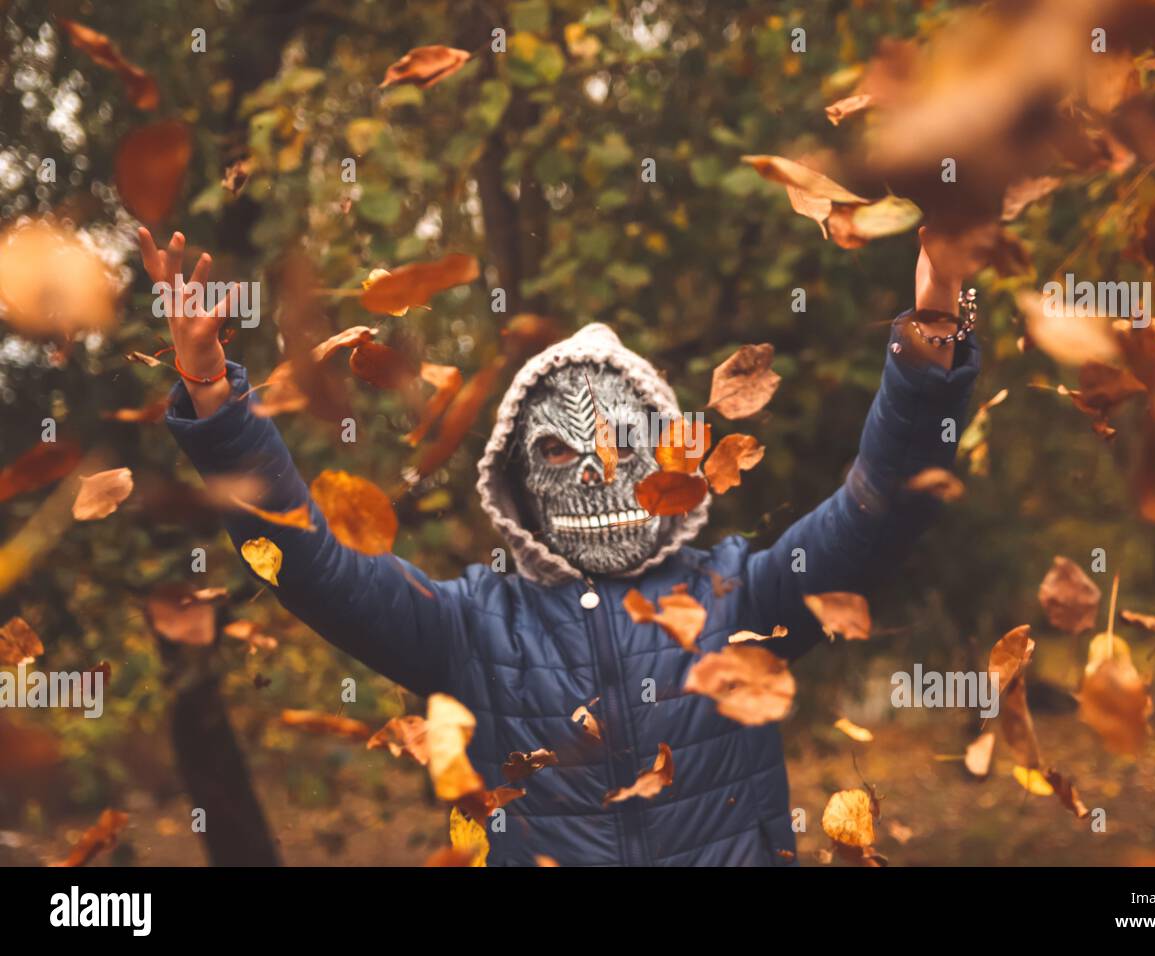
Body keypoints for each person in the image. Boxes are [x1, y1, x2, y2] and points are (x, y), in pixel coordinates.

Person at [141, 225, 980, 866]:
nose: (588, 473)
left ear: (665, 454)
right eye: (556, 451)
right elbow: (311, 565)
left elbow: (883, 506)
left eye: (615, 443)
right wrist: (213, 398)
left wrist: (938, 306)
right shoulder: (467, 627)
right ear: (514, 479)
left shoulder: (739, 598)